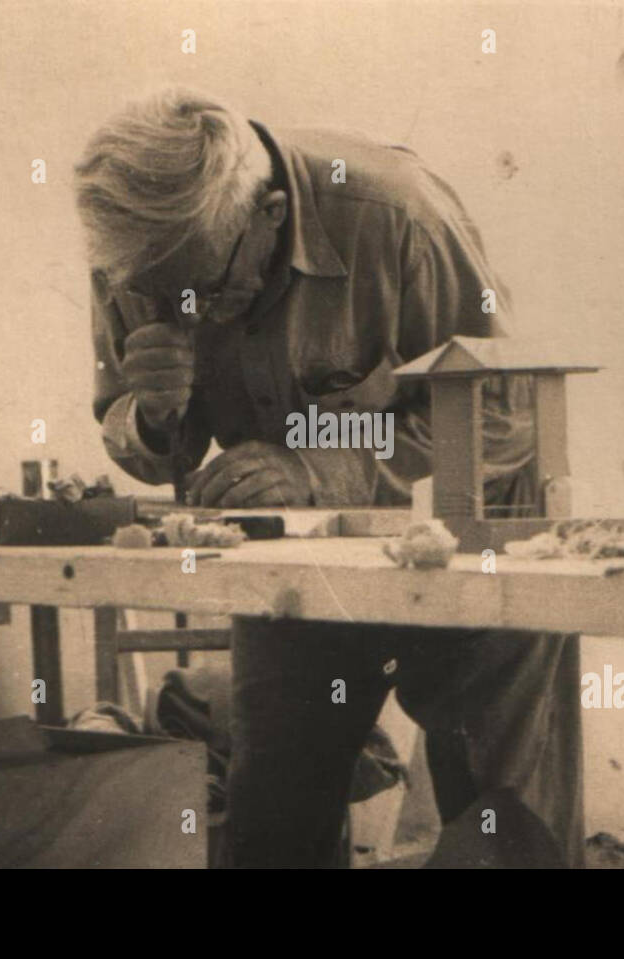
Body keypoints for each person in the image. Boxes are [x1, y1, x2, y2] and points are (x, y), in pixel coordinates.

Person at [74, 87, 582, 867]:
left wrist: (319, 466)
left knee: (500, 825)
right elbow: (133, 434)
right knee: (273, 812)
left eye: (209, 290)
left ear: (269, 215)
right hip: (307, 562)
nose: (192, 312)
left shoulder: (398, 215)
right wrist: (151, 416)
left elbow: (507, 412)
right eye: (164, 292)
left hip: (473, 541)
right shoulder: (141, 248)